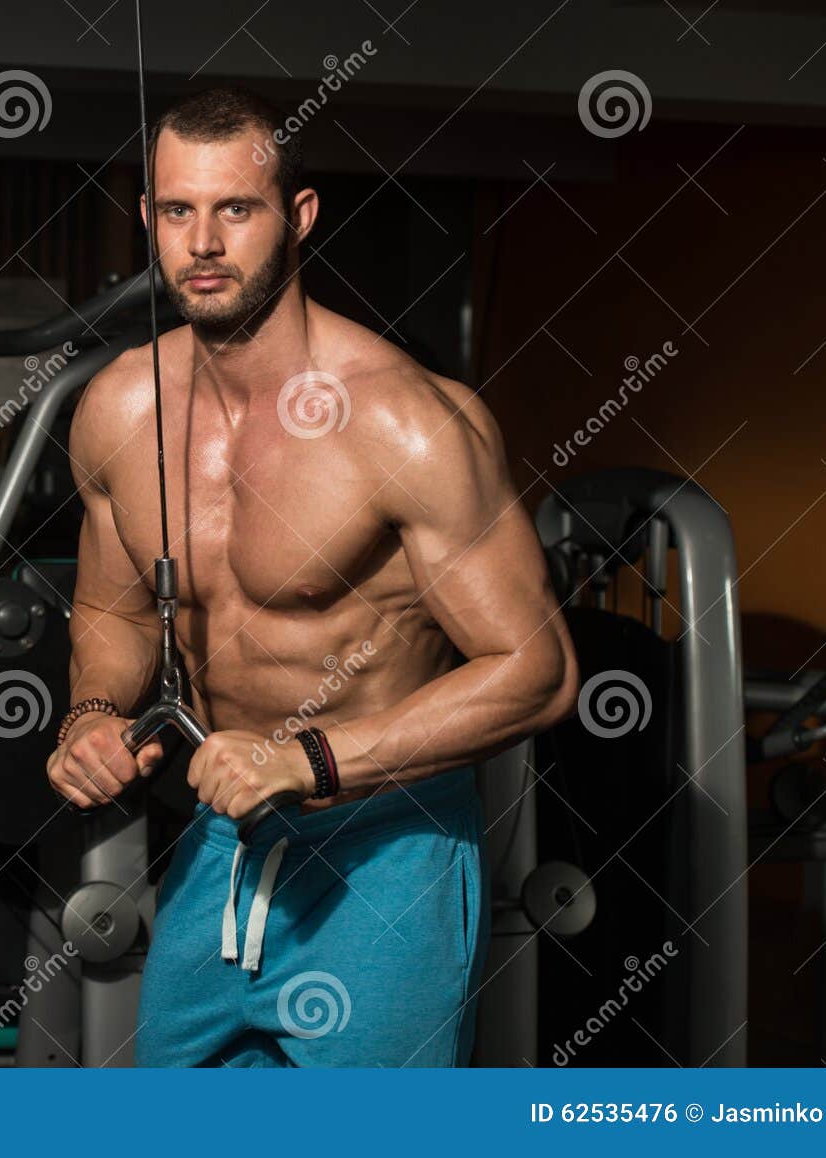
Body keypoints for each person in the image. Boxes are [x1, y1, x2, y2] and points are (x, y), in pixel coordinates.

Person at [44, 86, 578, 1067]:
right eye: (177, 211)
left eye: (234, 210)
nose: (202, 242)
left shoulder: (407, 422)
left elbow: (534, 670)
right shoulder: (119, 410)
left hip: (386, 851)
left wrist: (307, 760)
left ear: (296, 217)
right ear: (149, 220)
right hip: (221, 845)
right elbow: (110, 614)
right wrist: (88, 716)